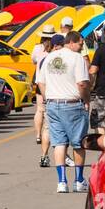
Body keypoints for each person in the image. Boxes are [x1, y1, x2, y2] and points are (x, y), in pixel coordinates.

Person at [43, 32, 92, 193]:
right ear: (71, 42)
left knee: (59, 143)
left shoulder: (49, 57)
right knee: (78, 142)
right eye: (80, 43)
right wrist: (86, 100)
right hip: (72, 103)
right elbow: (82, 84)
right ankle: (78, 180)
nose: (81, 47)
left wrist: (48, 98)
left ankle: (61, 181)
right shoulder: (76, 58)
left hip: (53, 103)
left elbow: (41, 83)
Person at [35, 33, 63, 168]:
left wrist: (46, 97)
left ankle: (44, 155)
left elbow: (40, 82)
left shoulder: (44, 60)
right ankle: (64, 156)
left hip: (49, 97)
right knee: (63, 129)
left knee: (47, 127)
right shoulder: (65, 58)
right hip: (63, 97)